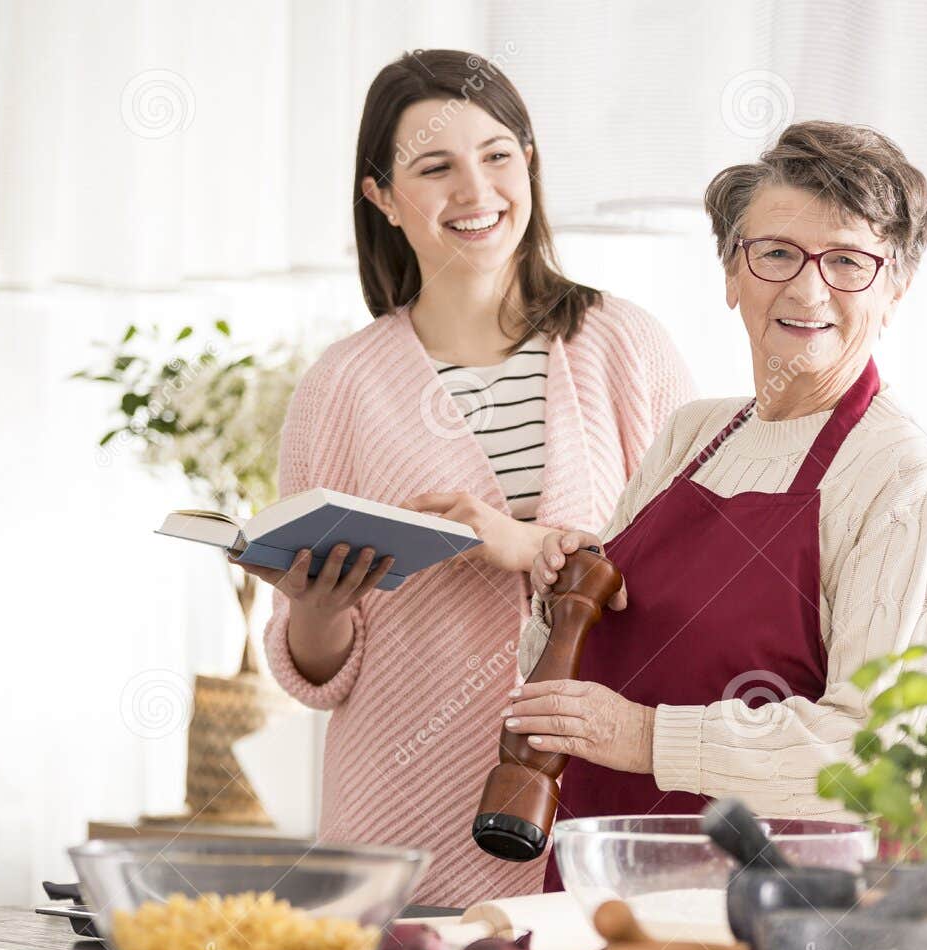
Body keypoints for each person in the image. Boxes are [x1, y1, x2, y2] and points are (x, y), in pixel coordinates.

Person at [247, 51, 694, 905]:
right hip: (397, 818)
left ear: (530, 160)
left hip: (591, 804)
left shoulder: (627, 347)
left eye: (496, 155)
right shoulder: (339, 387)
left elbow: (691, 586)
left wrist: (525, 544)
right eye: (435, 167)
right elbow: (316, 669)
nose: (476, 190)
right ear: (381, 196)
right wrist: (316, 610)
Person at [507, 121, 927, 890]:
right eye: (775, 254)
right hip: (603, 899)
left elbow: (885, 757)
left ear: (895, 287)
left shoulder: (906, 482)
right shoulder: (692, 434)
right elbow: (589, 665)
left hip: (768, 936)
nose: (807, 290)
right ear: (733, 275)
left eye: (847, 261)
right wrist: (554, 601)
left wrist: (647, 737)